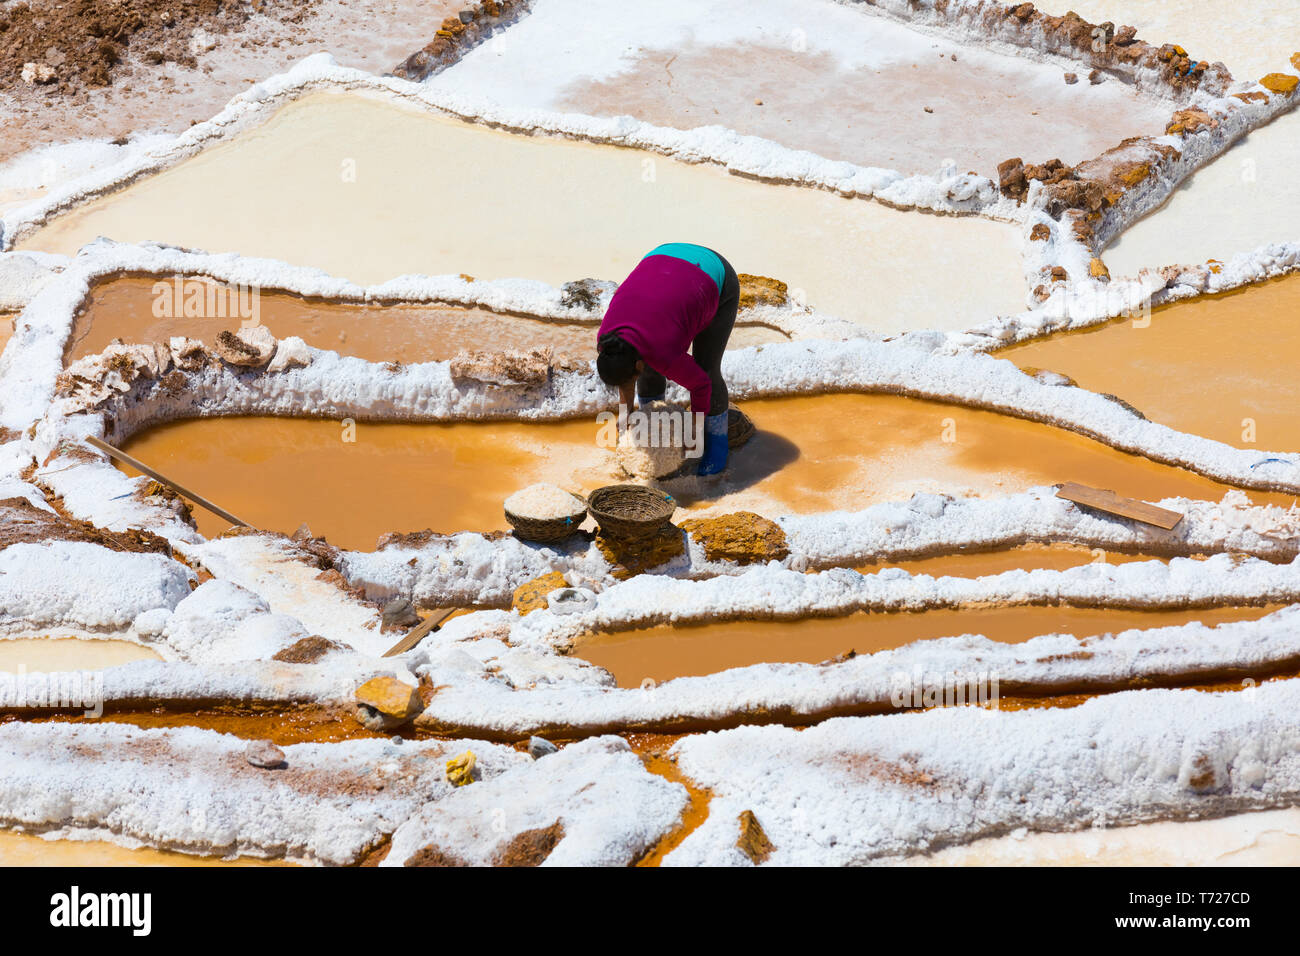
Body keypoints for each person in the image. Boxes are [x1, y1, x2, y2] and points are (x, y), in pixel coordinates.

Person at [595, 243, 739, 476]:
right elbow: (625, 378)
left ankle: (717, 444)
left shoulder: (662, 352)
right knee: (651, 370)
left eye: (632, 376)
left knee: (707, 368)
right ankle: (654, 430)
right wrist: (626, 416)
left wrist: (695, 432)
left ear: (636, 364)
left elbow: (701, 384)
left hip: (713, 274)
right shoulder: (608, 341)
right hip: (664, 260)